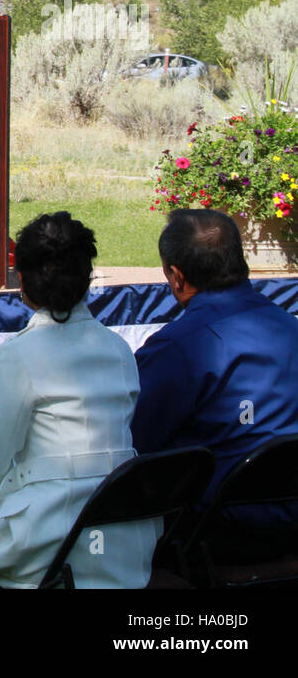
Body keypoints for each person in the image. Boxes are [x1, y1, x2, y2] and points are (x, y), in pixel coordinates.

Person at [0, 212, 159, 587]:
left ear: (21, 280)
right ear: (87, 281)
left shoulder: (19, 354)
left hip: (49, 535)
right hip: (124, 539)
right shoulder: (119, 349)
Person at [132, 208, 298, 560]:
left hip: (219, 532)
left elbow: (132, 443)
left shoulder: (178, 347)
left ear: (176, 277)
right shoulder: (291, 328)